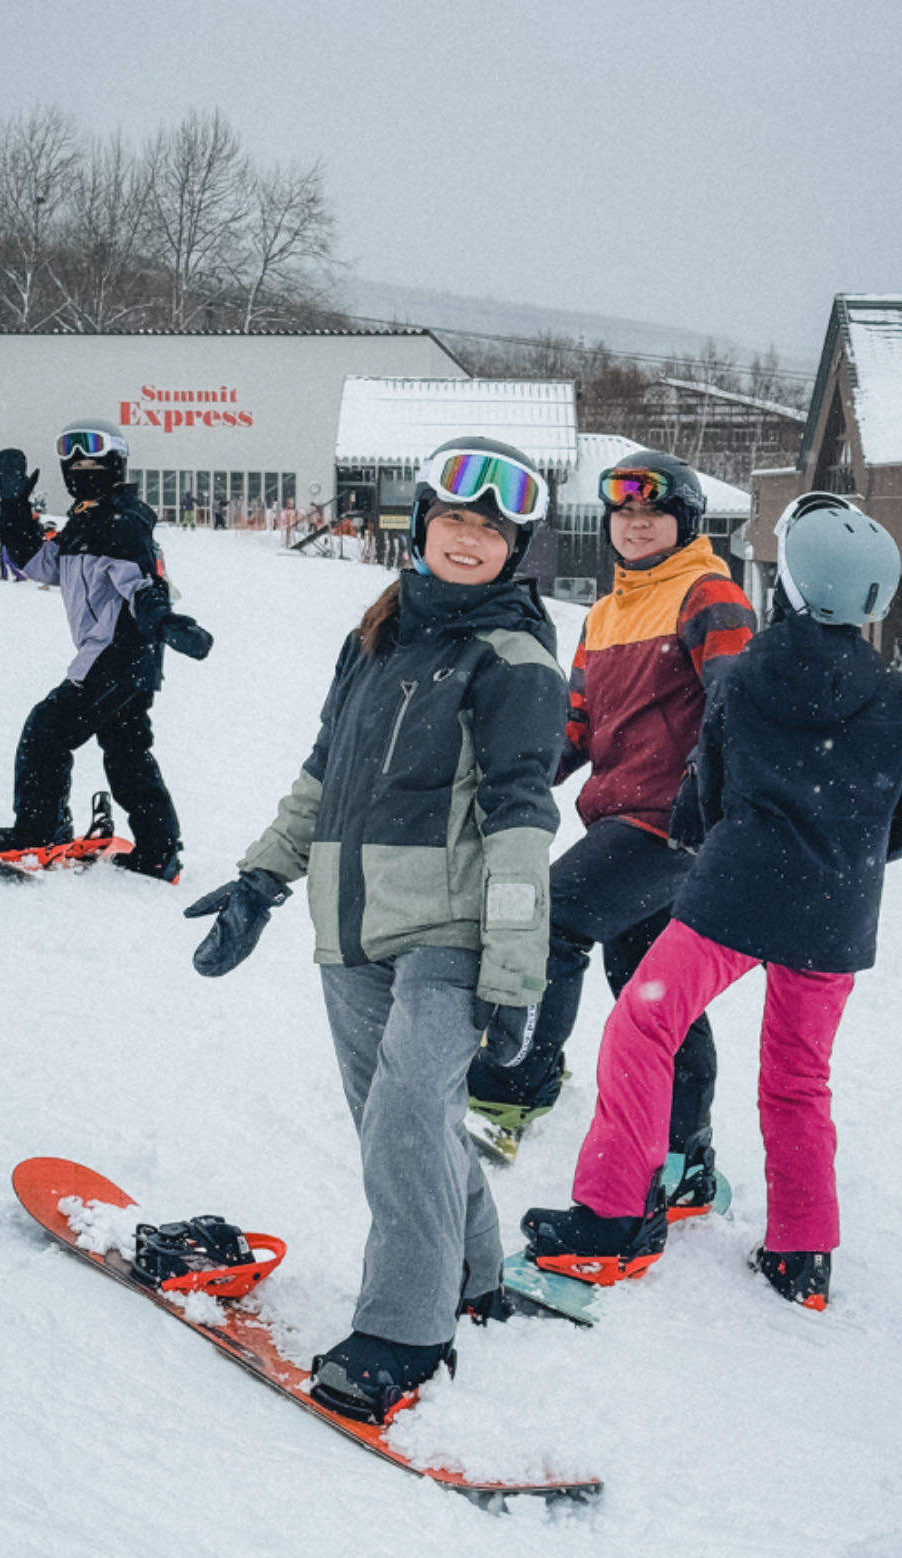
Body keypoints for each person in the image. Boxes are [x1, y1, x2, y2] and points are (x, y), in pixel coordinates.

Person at [186, 438, 568, 1421]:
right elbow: (322, 774)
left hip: (451, 930)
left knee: (404, 1120)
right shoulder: (375, 636)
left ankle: (406, 1329)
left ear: (515, 545)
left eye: (490, 528)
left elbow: (523, 824)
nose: (468, 539)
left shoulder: (514, 659)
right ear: (421, 525)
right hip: (350, 928)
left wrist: (516, 970)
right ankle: (474, 1273)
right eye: (453, 520)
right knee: (403, 1124)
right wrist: (261, 879)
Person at [522, 493, 902, 1311]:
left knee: (645, 1023)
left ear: (788, 581)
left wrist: (736, 842)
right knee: (798, 1077)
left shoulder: (747, 675)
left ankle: (612, 1218)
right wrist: (842, 858)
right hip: (836, 913)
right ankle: (801, 1255)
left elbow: (703, 800)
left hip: (736, 894)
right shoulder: (899, 696)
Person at [468, 449, 756, 1195]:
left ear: (683, 520)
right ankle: (687, 1156)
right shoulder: (606, 611)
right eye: (623, 513)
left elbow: (736, 706)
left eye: (652, 512)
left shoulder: (708, 593)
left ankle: (515, 1090)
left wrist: (706, 796)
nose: (634, 525)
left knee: (553, 922)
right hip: (622, 819)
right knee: (648, 987)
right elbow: (577, 722)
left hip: (670, 823)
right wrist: (513, 779)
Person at [0, 420, 214, 880]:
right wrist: (13, 508)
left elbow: (144, 586)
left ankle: (41, 831)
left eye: (90, 461)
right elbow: (39, 564)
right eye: (72, 461)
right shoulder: (85, 523)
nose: (79, 469)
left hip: (118, 655)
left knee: (47, 730)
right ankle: (157, 851)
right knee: (127, 753)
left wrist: (164, 620)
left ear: (114, 464)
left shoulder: (123, 523)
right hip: (126, 660)